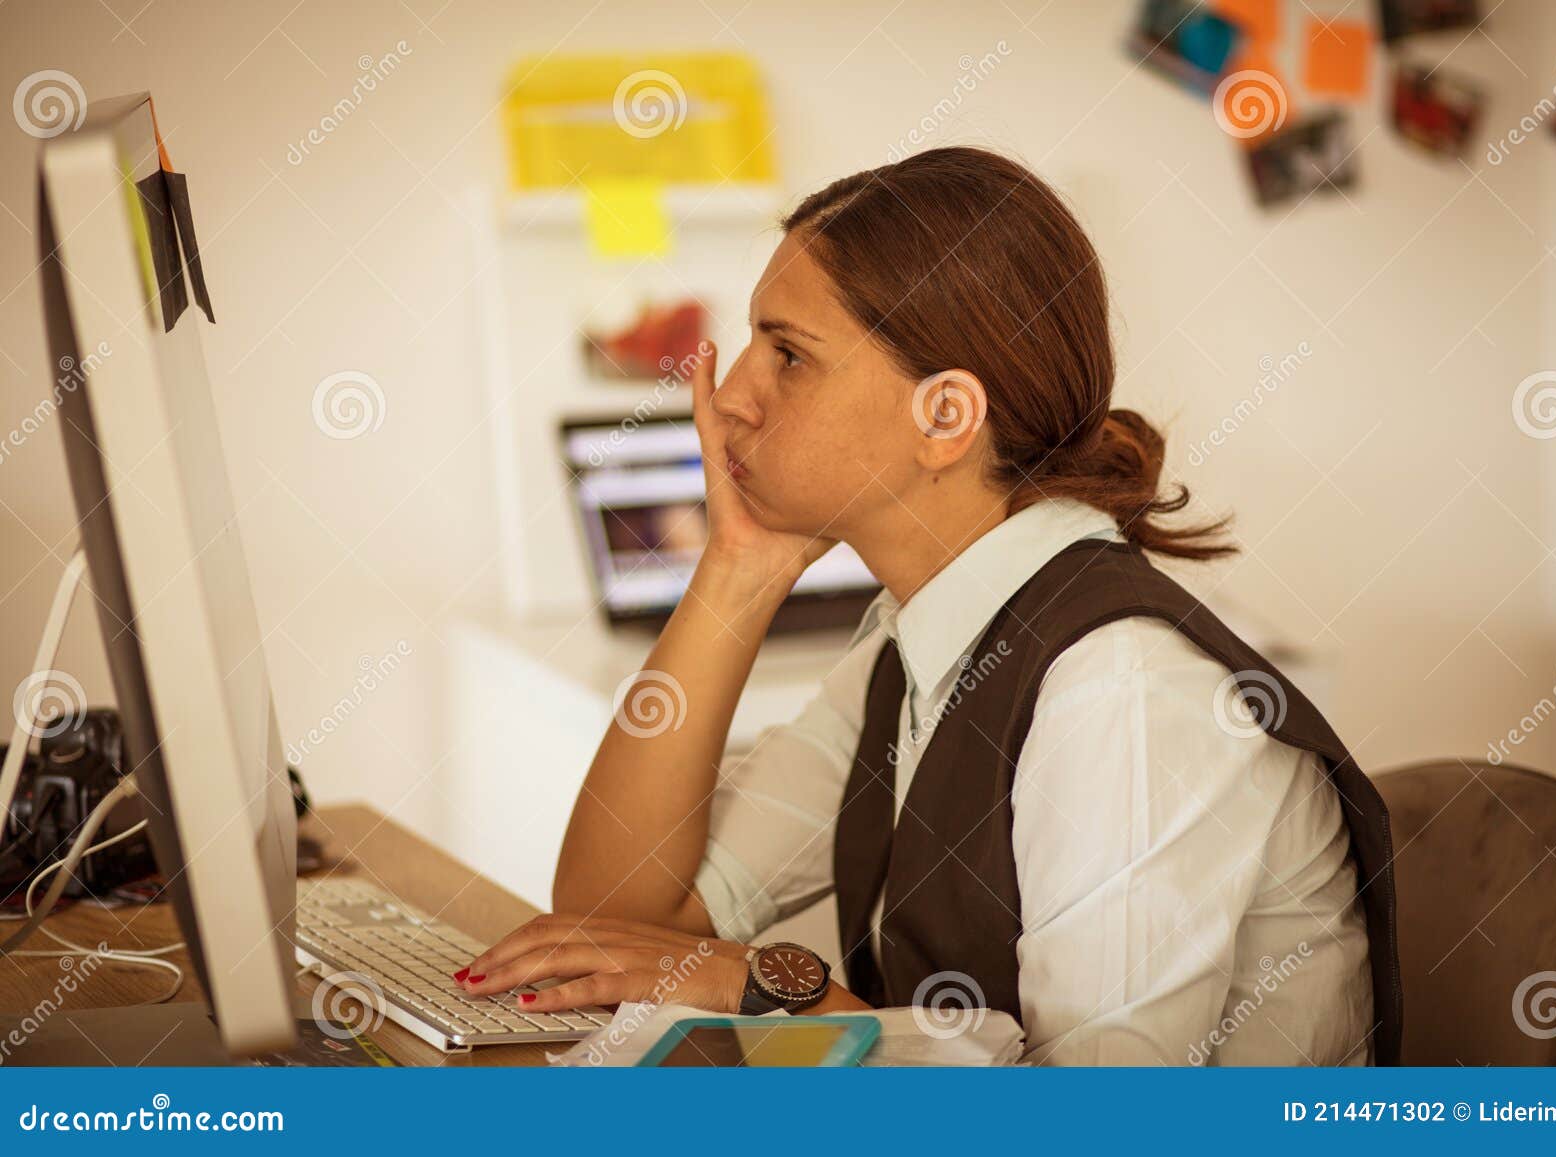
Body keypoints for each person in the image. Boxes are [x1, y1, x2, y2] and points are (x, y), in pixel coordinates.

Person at [452, 146, 1400, 1066]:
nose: (732, 396)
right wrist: (738, 567)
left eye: (787, 354)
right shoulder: (908, 649)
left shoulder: (1122, 692)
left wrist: (784, 991)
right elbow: (611, 917)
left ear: (945, 416)